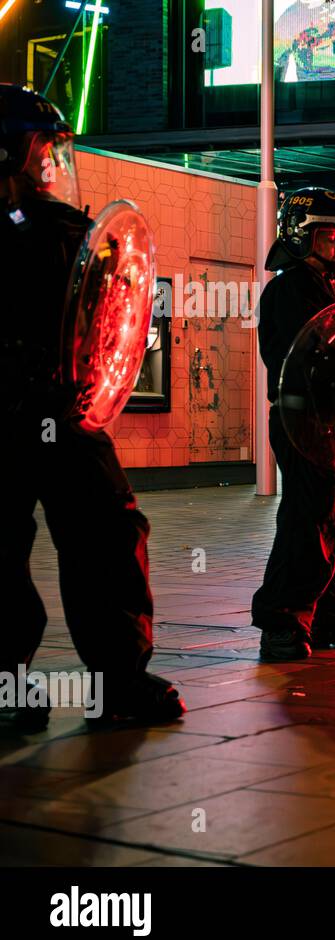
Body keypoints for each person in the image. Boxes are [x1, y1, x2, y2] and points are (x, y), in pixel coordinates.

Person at [0, 85, 184, 731]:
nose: (48, 164)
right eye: (39, 152)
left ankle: (105, 684)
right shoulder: (44, 232)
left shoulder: (62, 228)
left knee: (102, 535)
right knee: (55, 544)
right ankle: (40, 689)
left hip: (58, 412)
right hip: (32, 414)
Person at [251, 187, 335, 661]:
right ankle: (284, 619)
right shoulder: (288, 290)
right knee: (310, 519)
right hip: (305, 420)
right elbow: (317, 356)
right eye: (330, 236)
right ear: (302, 236)